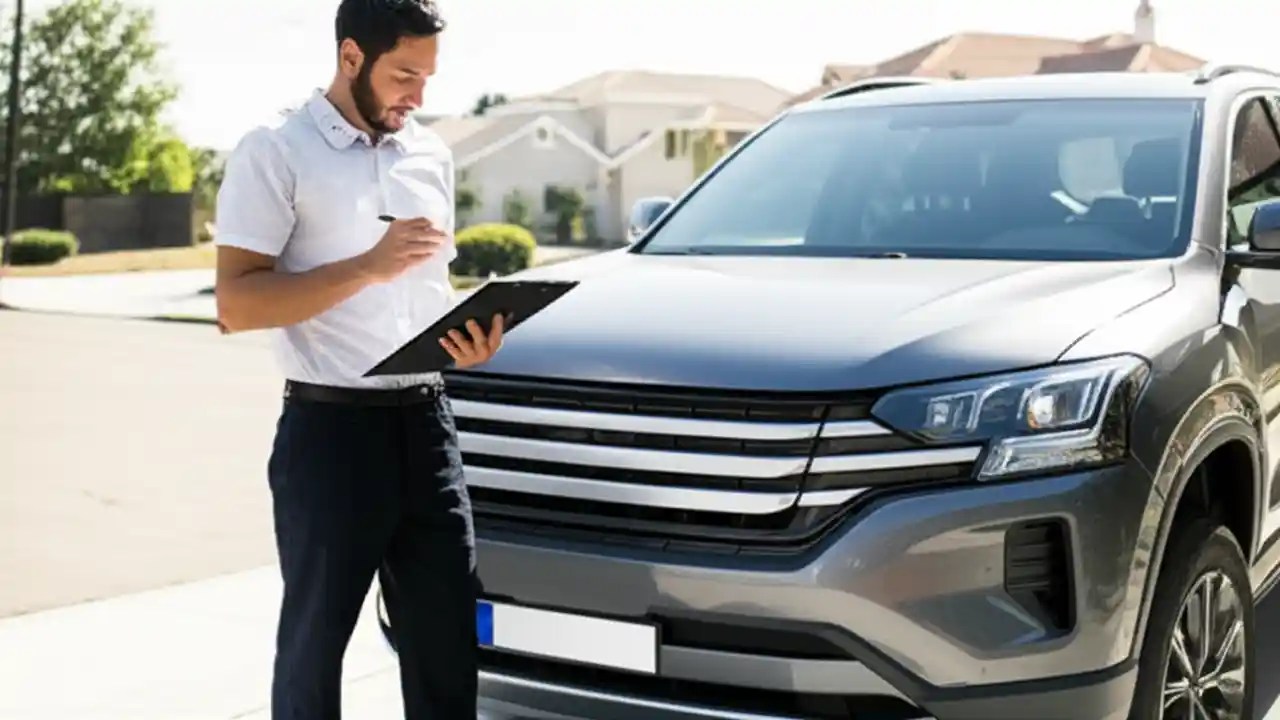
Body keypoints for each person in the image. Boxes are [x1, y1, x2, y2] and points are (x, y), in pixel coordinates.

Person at [212, 1, 499, 718]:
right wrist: (367, 267)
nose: (419, 95)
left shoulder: (431, 154)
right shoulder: (276, 150)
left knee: (445, 646)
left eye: (428, 77)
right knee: (314, 654)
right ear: (350, 58)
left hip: (430, 431)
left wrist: (468, 338)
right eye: (404, 74)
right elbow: (236, 305)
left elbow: (426, 288)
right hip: (331, 436)